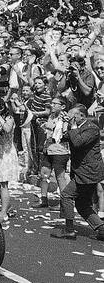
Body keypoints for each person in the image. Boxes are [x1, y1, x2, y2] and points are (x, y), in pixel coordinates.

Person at [52, 103, 104, 240]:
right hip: (81, 170)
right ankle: (102, 229)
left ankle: (69, 230)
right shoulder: (74, 126)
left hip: (88, 171)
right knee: (82, 204)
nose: (69, 118)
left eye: (72, 115)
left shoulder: (92, 129)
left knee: (66, 196)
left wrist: (72, 127)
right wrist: (62, 123)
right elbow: (61, 139)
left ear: (81, 115)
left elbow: (77, 142)